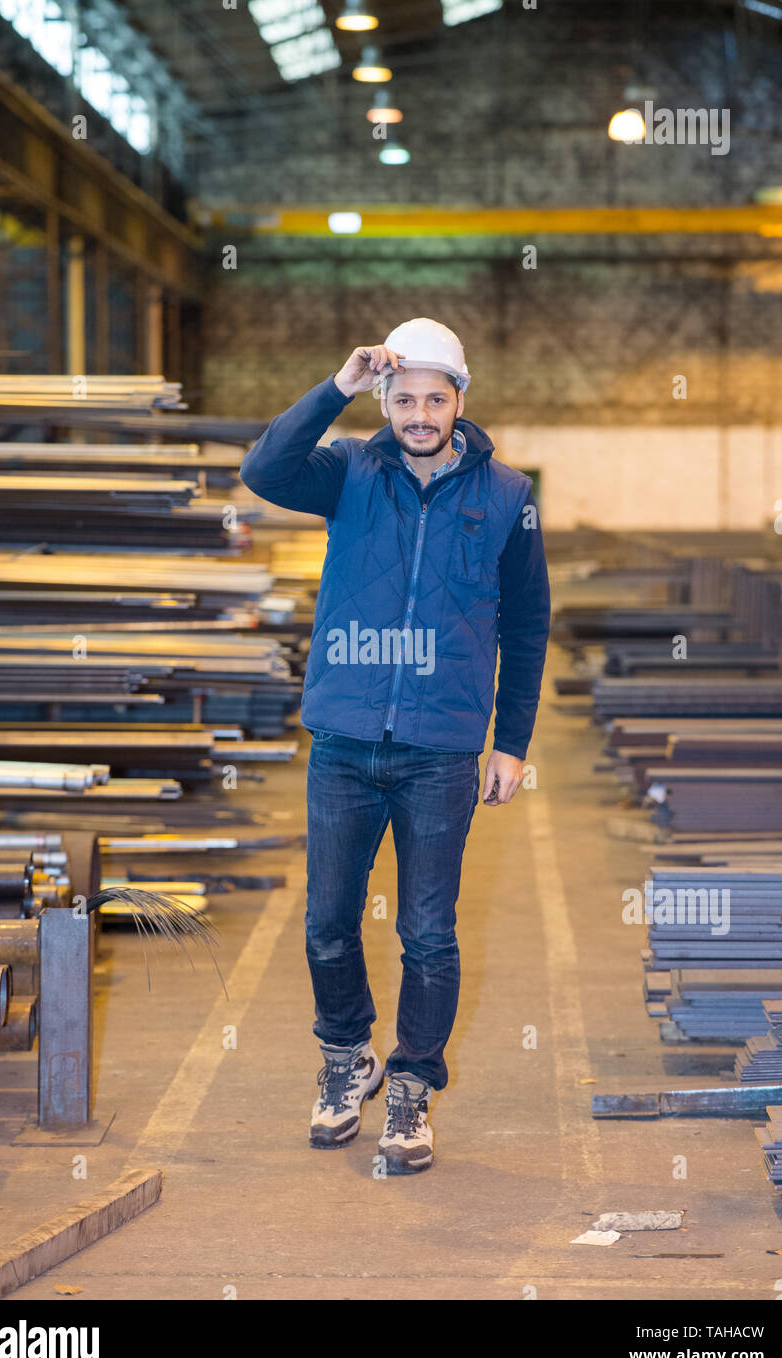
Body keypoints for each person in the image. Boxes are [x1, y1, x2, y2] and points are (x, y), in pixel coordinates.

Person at [240, 318, 551, 1175]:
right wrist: (335, 387)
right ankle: (348, 1059)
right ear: (386, 400)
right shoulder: (347, 472)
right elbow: (262, 469)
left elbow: (526, 626)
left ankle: (412, 1086)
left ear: (461, 400)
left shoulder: (508, 496)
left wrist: (510, 743)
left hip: (439, 750)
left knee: (428, 933)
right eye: (403, 397)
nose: (420, 413)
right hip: (344, 739)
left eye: (435, 397)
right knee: (328, 925)